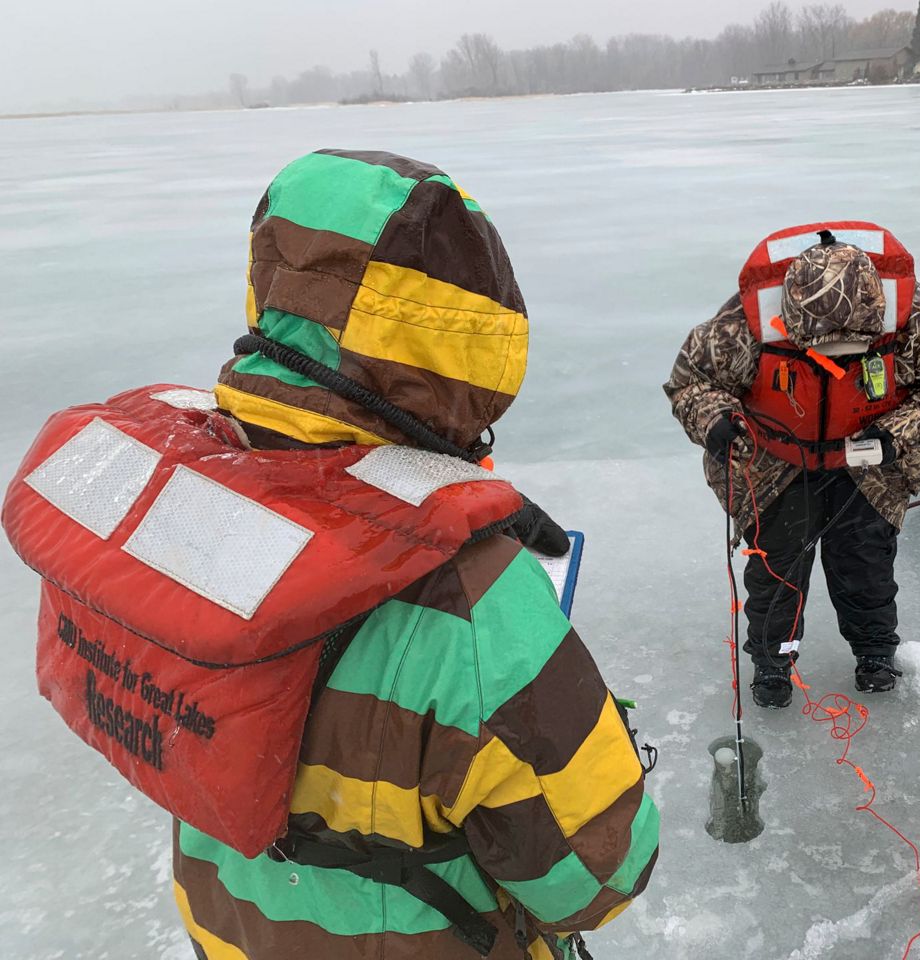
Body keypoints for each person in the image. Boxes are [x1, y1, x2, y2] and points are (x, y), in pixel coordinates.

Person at [3, 150, 658, 959]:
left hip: (233, 933)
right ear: (469, 344)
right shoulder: (478, 607)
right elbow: (596, 880)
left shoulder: (182, 510)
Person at [664, 222, 920, 708]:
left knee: (865, 560)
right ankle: (773, 661)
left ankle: (874, 651)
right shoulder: (737, 330)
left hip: (871, 459)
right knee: (776, 565)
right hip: (776, 463)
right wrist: (715, 420)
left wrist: (898, 432)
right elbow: (691, 385)